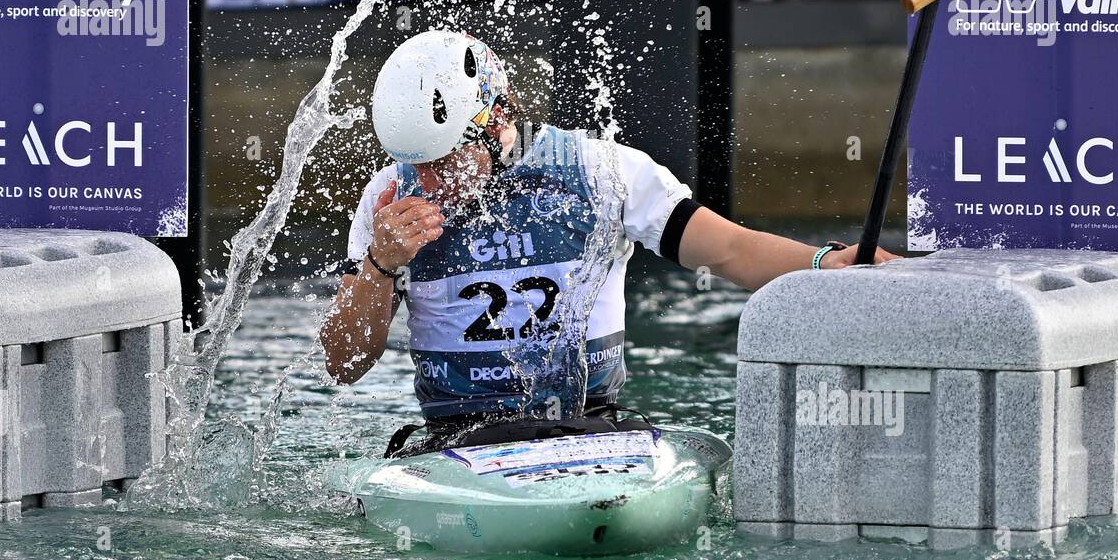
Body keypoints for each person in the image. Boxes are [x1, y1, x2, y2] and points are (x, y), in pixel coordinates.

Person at [321, 32, 895, 452]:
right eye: (413, 164)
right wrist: (379, 264)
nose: (426, 182)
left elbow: (728, 251)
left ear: (496, 120)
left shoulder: (602, 171)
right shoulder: (386, 202)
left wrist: (826, 263)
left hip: (592, 426)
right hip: (456, 441)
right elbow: (342, 364)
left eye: (443, 161)